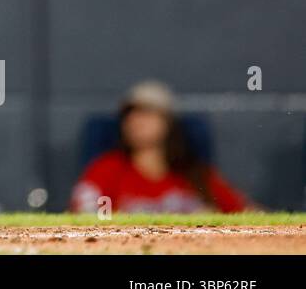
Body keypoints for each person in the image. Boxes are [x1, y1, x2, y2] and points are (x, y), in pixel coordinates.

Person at [70, 81, 249, 214]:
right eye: (130, 115)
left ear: (168, 123)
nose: (136, 121)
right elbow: (83, 217)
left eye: (147, 113)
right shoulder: (107, 170)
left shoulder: (196, 174)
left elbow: (247, 213)